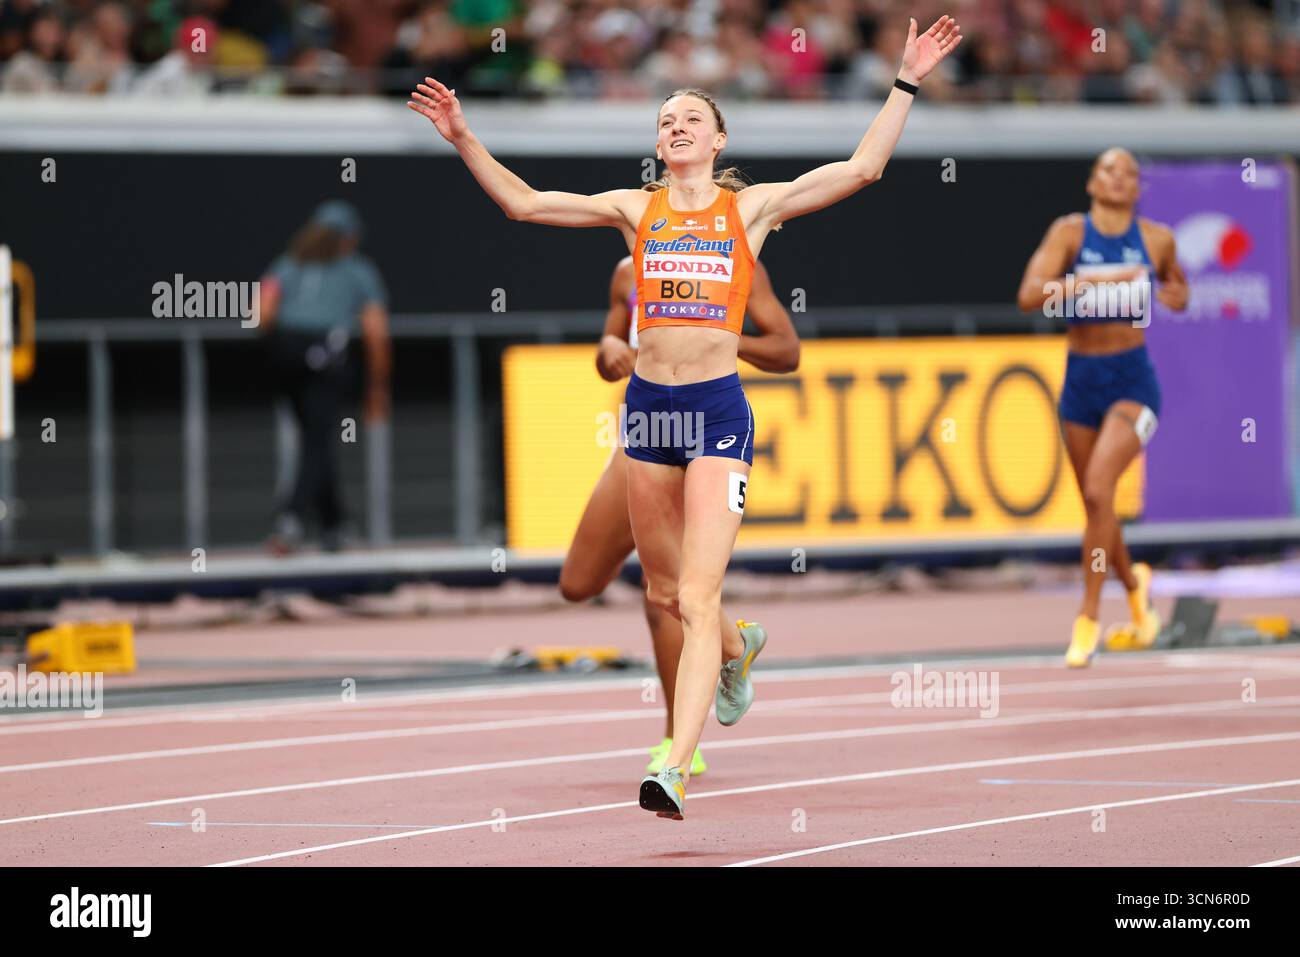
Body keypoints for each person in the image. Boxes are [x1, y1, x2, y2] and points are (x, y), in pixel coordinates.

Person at [408, 12, 961, 819]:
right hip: (646, 418)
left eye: (691, 118)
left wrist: (905, 79)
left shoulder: (752, 211)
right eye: (666, 119)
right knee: (665, 591)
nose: (676, 126)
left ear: (718, 139)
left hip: (714, 414)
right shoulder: (636, 210)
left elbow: (864, 167)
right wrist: (463, 137)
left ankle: (674, 764)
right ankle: (740, 647)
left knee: (697, 596)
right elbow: (525, 205)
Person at [560, 255, 799, 778]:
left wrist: (723, 341)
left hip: (705, 434)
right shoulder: (627, 272)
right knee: (578, 583)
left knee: (666, 593)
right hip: (644, 435)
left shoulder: (735, 262)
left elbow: (787, 351)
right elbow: (610, 349)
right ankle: (736, 643)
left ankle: (677, 742)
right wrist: (607, 349)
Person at [1016, 147, 1188, 668]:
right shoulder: (1070, 233)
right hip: (1081, 384)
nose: (1119, 178)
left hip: (1133, 383)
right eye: (1109, 169)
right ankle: (1136, 591)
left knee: (1098, 489)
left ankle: (1087, 619)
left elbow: (1179, 287)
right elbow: (1029, 296)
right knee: (1098, 508)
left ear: (1138, 189)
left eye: (1130, 172)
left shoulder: (1156, 239)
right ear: (1092, 182)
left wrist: (1175, 297)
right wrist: (1093, 282)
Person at [258, 200, 391, 554]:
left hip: (285, 356)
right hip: (325, 358)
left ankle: (334, 523)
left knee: (314, 439)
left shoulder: (287, 265)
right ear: (348, 238)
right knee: (317, 441)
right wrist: (377, 386)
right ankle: (290, 518)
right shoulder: (357, 271)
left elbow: (262, 312)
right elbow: (376, 331)